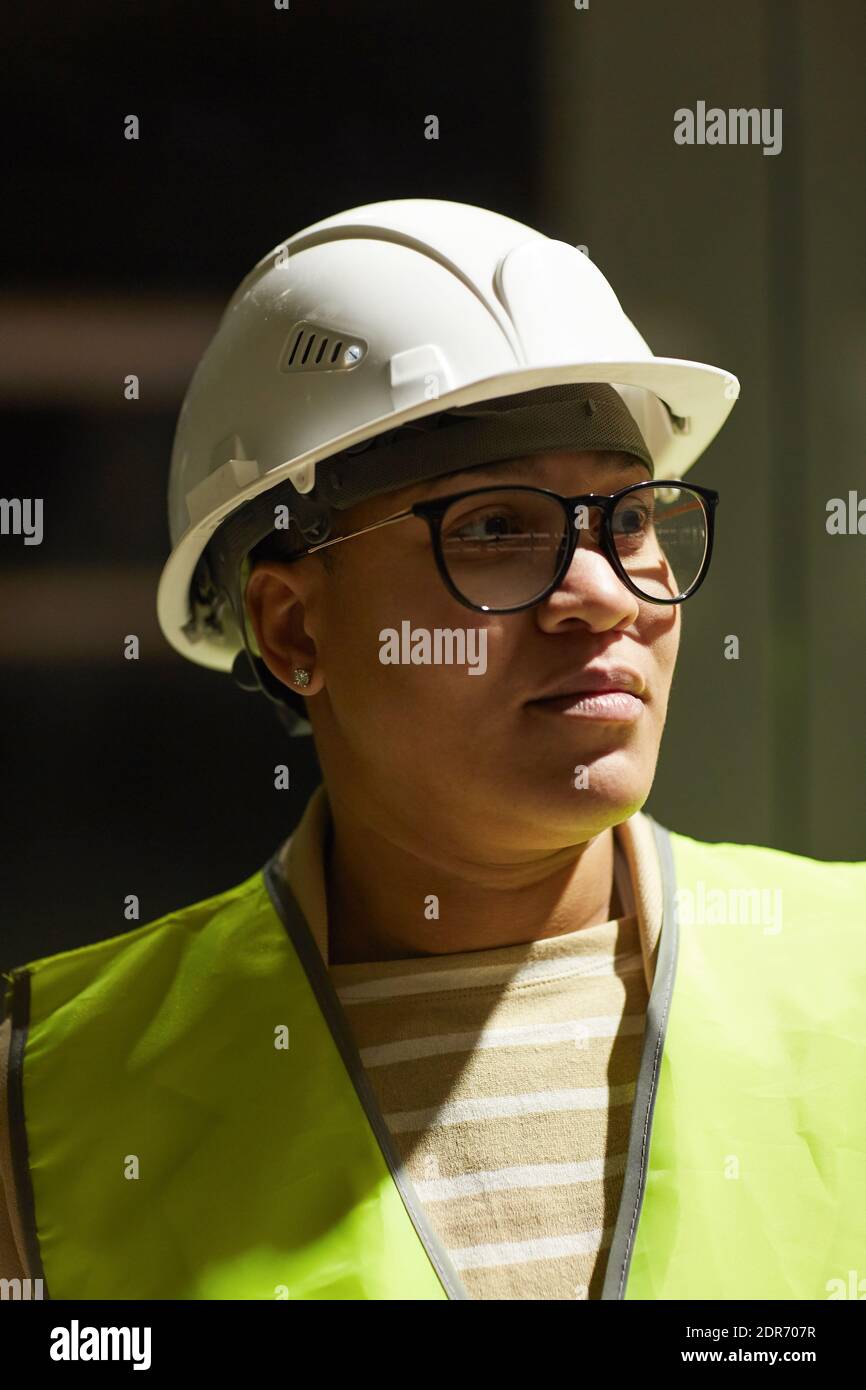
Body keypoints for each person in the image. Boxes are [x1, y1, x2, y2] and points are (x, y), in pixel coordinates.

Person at [2, 199, 864, 1302]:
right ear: (293, 629)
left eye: (630, 519)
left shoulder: (841, 980)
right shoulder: (52, 1107)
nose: (602, 595)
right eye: (496, 529)